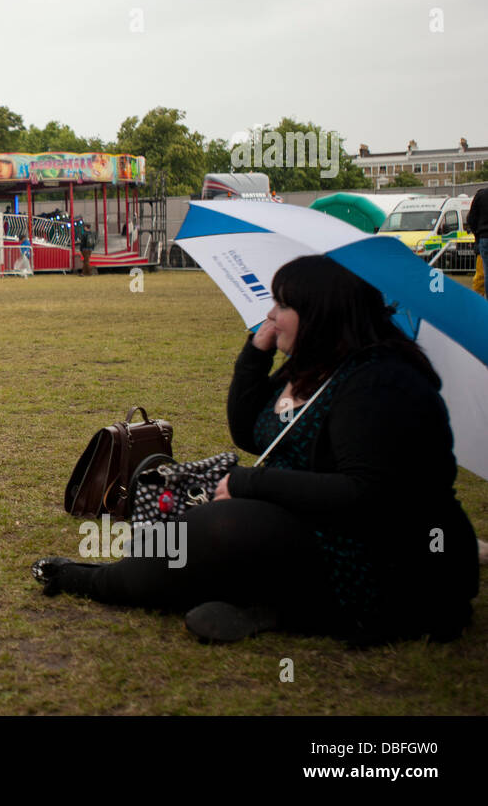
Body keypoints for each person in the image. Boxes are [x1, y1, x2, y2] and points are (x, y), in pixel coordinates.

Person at [34, 255, 481, 645]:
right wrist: (255, 353)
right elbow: (249, 432)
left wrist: (251, 483)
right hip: (318, 525)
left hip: (387, 556)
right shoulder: (316, 367)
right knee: (199, 509)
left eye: (284, 304)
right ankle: (271, 604)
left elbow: (364, 496)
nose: (271, 313)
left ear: (321, 313)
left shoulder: (380, 383)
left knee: (217, 525)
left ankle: (95, 581)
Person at [467, 184, 488, 299]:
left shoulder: (481, 195)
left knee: (483, 275)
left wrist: (478, 235)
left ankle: (479, 302)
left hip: (484, 238)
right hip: (483, 238)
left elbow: (471, 219)